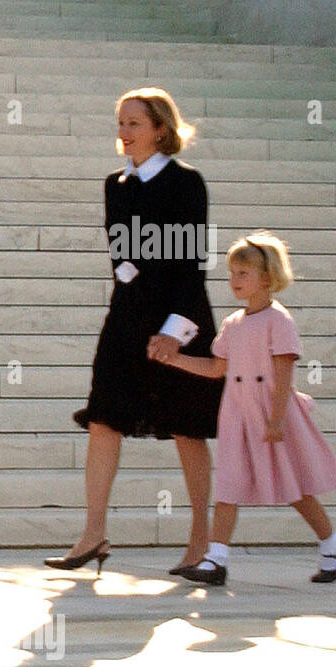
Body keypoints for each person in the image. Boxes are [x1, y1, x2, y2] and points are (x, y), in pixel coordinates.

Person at [47, 87, 224, 577]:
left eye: (134, 124)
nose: (123, 133)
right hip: (125, 319)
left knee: (186, 428)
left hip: (178, 319)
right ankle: (93, 534)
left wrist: (173, 331)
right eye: (120, 123)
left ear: (161, 130)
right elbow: (121, 258)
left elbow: (191, 264)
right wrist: (131, 306)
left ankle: (201, 543)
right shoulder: (115, 185)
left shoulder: (186, 183)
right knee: (103, 418)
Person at [151, 232, 336, 584]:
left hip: (273, 413)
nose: (234, 281)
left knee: (295, 488)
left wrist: (275, 421)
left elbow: (284, 373)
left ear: (267, 278)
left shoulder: (279, 320)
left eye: (243, 274)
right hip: (237, 414)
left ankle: (332, 544)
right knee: (229, 484)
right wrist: (175, 359)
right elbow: (216, 369)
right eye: (232, 274)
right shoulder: (232, 324)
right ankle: (216, 559)